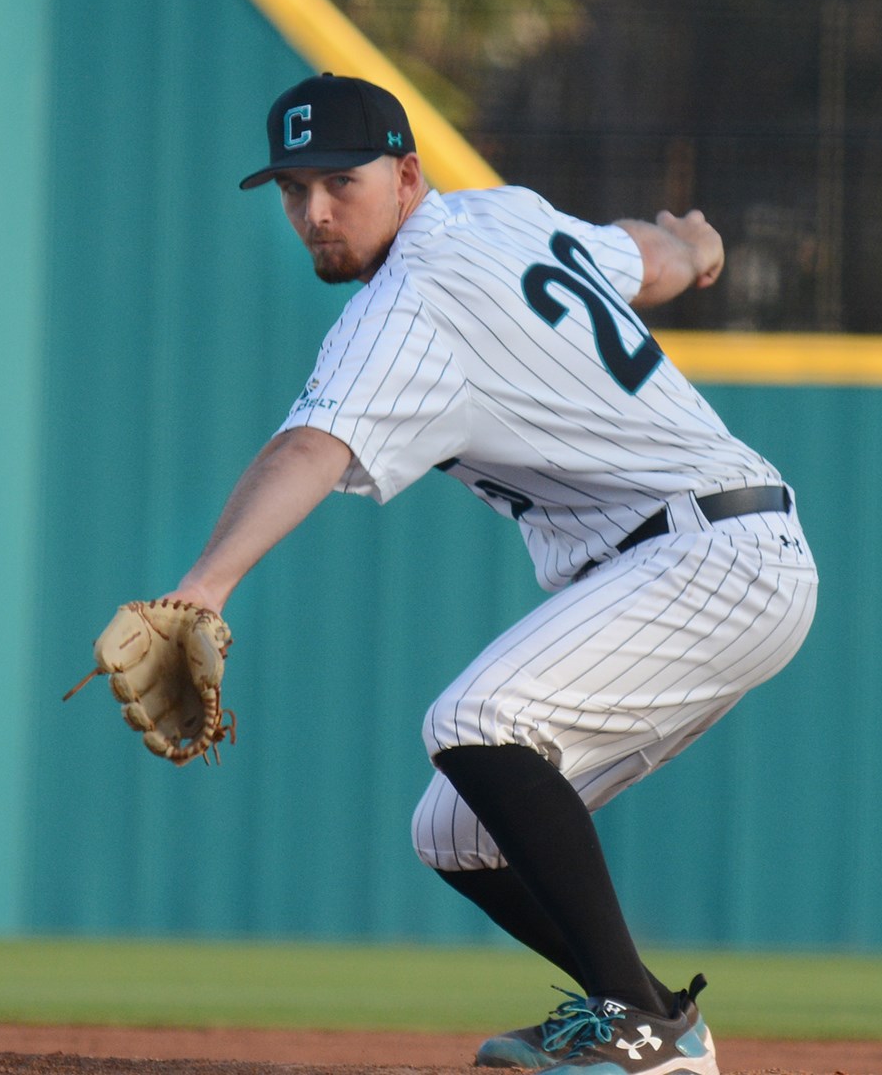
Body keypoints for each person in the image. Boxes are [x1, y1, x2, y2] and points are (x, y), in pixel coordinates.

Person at [115, 72, 818, 1075]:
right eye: (294, 189)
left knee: (475, 719)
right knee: (452, 831)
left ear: (406, 176)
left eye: (341, 183)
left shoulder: (408, 301)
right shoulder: (504, 217)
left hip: (707, 555)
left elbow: (308, 448)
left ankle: (636, 1024)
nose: (316, 211)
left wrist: (204, 587)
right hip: (720, 555)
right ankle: (663, 1020)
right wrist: (696, 250)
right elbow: (642, 255)